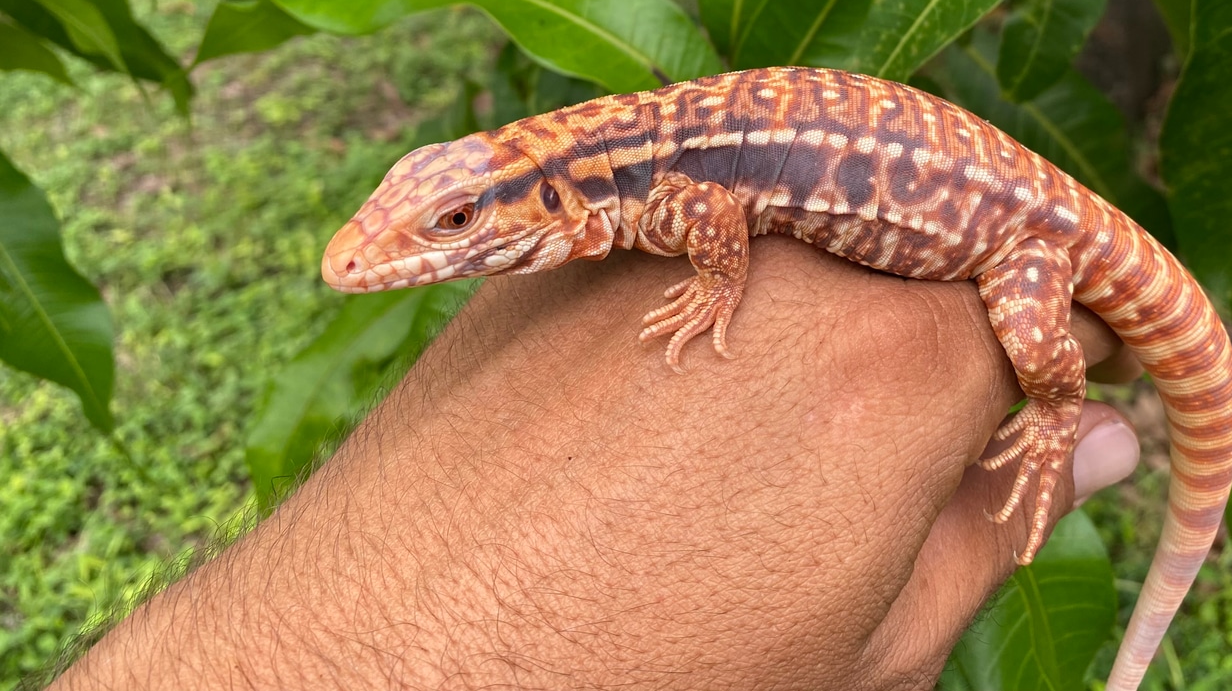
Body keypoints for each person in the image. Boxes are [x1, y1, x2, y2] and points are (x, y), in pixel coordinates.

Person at [52, 237, 1142, 690]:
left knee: (1042, 358)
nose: (381, 252)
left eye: (457, 224)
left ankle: (1054, 402)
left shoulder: (667, 202)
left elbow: (713, 216)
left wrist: (1053, 410)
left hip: (1024, 233)